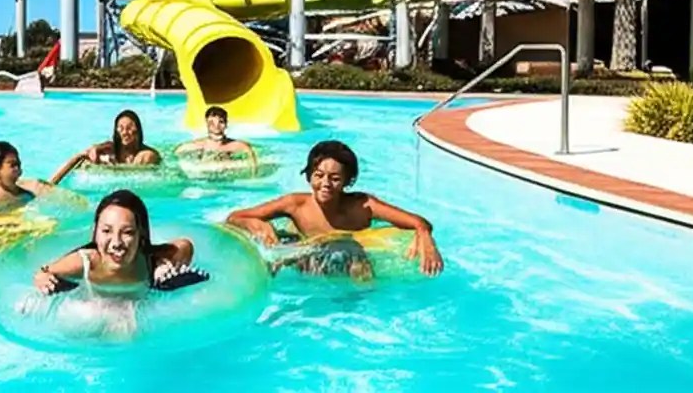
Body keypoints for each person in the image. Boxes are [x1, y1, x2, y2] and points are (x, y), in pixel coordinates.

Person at [224, 140, 444, 279]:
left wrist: (424, 234)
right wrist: (254, 223)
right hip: (306, 254)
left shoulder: (363, 205)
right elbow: (235, 217)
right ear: (309, 175)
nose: (326, 184)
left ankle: (362, 304)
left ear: (348, 181)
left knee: (350, 249)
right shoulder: (295, 204)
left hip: (349, 253)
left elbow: (417, 221)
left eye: (335, 178)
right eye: (319, 175)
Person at [32, 189, 201, 295]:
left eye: (127, 232)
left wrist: (161, 264)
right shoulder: (87, 262)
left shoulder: (148, 260)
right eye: (106, 231)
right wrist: (42, 277)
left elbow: (185, 246)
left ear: (140, 235)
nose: (116, 243)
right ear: (95, 232)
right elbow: (44, 271)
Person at [49, 109, 161, 184]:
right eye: (120, 128)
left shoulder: (147, 155)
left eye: (129, 127)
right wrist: (91, 153)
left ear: (138, 130)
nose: (124, 132)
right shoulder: (112, 146)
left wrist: (108, 167)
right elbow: (92, 150)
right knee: (83, 159)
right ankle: (52, 183)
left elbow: (131, 174)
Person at [173, 105, 258, 174]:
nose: (216, 127)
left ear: (226, 124)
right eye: (212, 123)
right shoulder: (197, 145)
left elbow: (252, 160)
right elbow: (175, 153)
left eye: (221, 122)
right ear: (206, 124)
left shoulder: (236, 145)